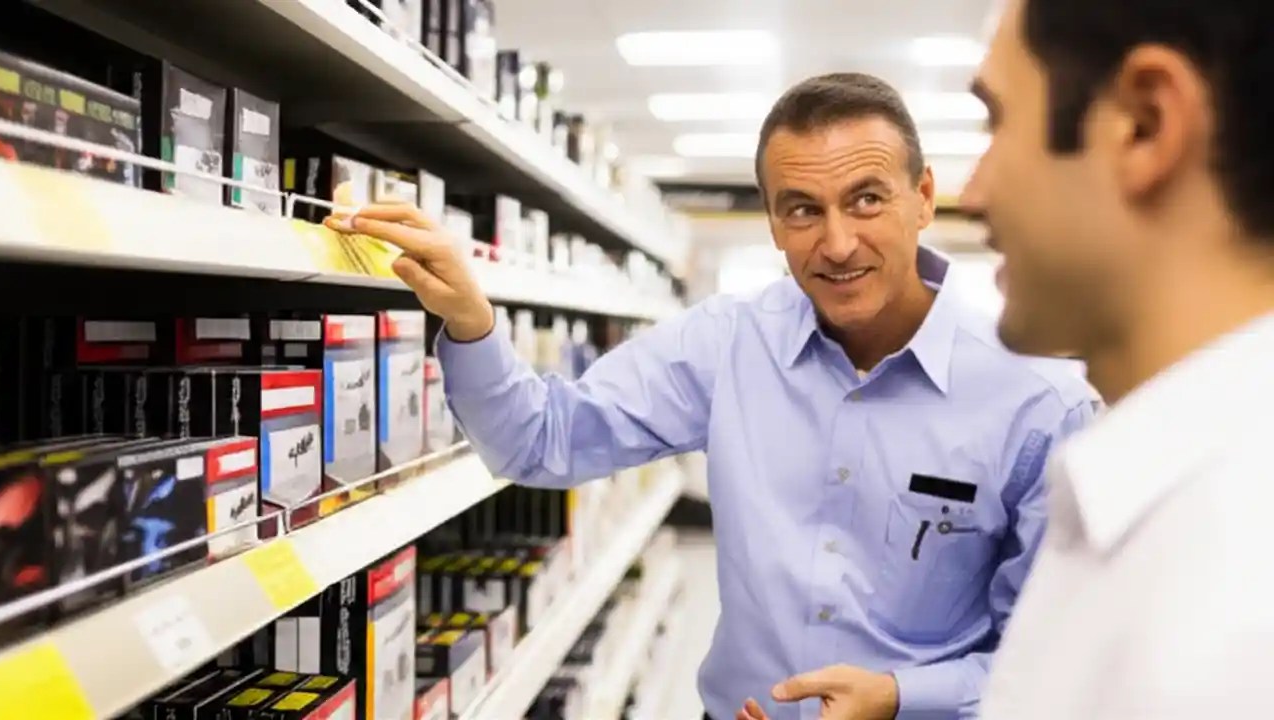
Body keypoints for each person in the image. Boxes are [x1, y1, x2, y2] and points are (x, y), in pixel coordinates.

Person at [331, 73, 1096, 720]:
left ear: (922, 198)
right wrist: (470, 318)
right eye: (802, 208)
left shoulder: (1036, 402)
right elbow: (539, 440)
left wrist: (899, 696)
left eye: (866, 199)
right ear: (772, 221)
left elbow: (1051, 656)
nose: (835, 243)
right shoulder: (728, 344)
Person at [960, 0, 1274, 718]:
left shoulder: (1235, 615)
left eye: (997, 120)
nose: (972, 192)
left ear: (1143, 125)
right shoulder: (1160, 495)